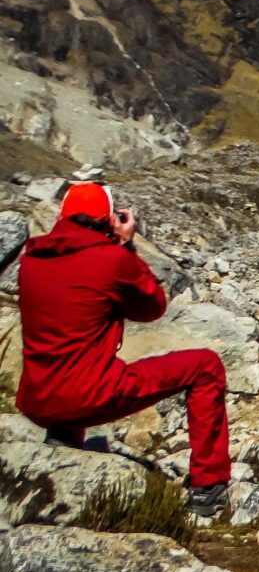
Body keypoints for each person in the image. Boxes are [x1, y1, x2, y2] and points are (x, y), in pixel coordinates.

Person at [15, 183, 232, 517]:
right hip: (89, 396)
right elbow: (152, 307)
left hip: (37, 401)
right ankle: (209, 486)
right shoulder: (112, 258)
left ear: (61, 215)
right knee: (205, 366)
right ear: (107, 219)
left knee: (69, 354)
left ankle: (63, 441)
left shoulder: (32, 260)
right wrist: (127, 246)